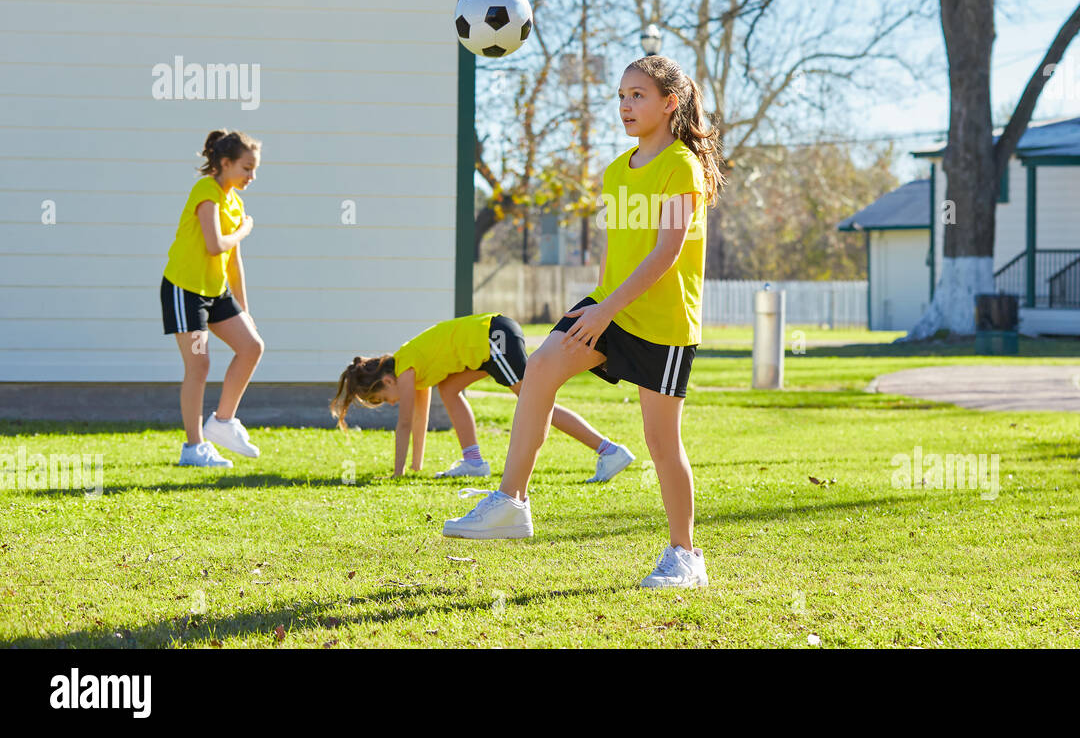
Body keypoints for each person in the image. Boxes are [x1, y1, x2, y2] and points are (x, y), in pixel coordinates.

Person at [443, 55, 725, 589]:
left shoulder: (682, 166)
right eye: (621, 95)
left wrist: (605, 309)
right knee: (541, 367)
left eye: (638, 95)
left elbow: (666, 252)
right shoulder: (616, 171)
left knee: (661, 442)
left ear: (670, 103)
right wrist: (598, 303)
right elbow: (616, 251)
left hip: (663, 322)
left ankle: (686, 556)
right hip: (610, 306)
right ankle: (511, 501)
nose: (625, 105)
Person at [329, 312, 635, 481]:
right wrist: (414, 468)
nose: (392, 403)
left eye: (385, 398)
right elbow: (420, 420)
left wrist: (397, 474)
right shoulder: (413, 369)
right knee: (449, 389)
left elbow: (405, 423)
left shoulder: (405, 368)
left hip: (493, 337)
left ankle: (608, 451)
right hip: (489, 342)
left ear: (386, 380)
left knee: (534, 401)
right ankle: (473, 461)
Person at [161, 130, 265, 468]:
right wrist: (244, 230)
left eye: (254, 169)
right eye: (247, 168)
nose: (252, 176)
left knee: (252, 347)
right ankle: (194, 448)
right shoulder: (206, 191)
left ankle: (222, 422)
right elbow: (214, 245)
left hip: (216, 291)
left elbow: (233, 262)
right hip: (186, 290)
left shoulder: (235, 203)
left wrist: (244, 310)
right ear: (225, 163)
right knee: (199, 365)